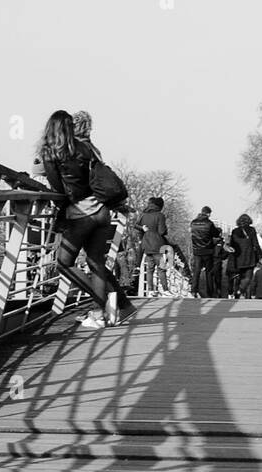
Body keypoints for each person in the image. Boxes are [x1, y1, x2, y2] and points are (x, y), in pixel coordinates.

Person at [37, 108, 128, 329]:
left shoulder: (50, 151)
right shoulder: (86, 148)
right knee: (95, 261)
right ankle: (100, 313)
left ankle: (102, 302)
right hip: (102, 212)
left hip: (80, 215)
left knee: (64, 263)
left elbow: (58, 187)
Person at [138, 195, 169, 294]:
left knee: (150, 269)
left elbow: (136, 225)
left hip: (147, 245)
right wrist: (165, 230)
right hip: (158, 245)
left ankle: (150, 290)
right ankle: (165, 290)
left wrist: (142, 229)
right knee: (161, 269)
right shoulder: (160, 215)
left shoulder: (144, 214)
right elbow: (161, 231)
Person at [190, 205, 220, 297]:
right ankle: (210, 292)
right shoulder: (209, 223)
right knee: (209, 272)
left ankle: (194, 290)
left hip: (197, 250)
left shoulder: (193, 223)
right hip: (207, 250)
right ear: (208, 213)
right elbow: (215, 233)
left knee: (196, 271)